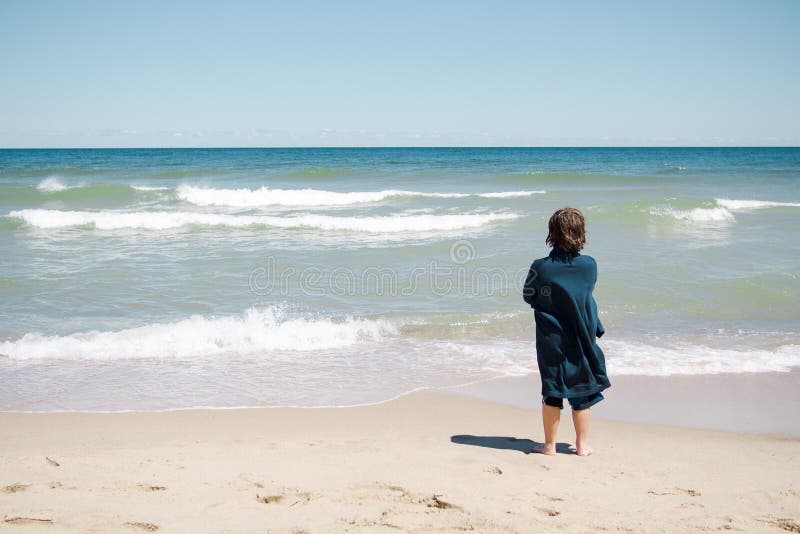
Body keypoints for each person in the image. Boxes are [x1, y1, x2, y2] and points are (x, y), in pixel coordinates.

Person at [522, 207, 610, 456]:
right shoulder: (589, 266)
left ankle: (549, 445)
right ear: (581, 233)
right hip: (581, 334)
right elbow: (583, 293)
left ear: (552, 233)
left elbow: (528, 296)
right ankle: (582, 446)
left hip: (552, 338)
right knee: (581, 391)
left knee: (552, 389)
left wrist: (547, 304)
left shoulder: (541, 267)